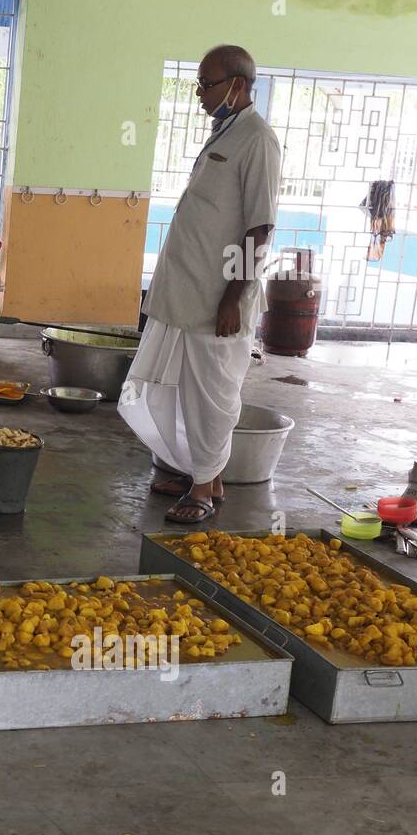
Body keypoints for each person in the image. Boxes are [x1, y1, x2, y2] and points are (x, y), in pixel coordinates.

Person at [119, 44, 282, 523]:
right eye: (198, 84)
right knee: (171, 387)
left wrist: (235, 296)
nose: (199, 94)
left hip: (217, 299)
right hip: (184, 291)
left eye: (206, 84)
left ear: (238, 85)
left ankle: (208, 489)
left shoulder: (259, 140)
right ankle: (195, 472)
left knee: (212, 394)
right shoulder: (225, 131)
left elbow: (260, 227)